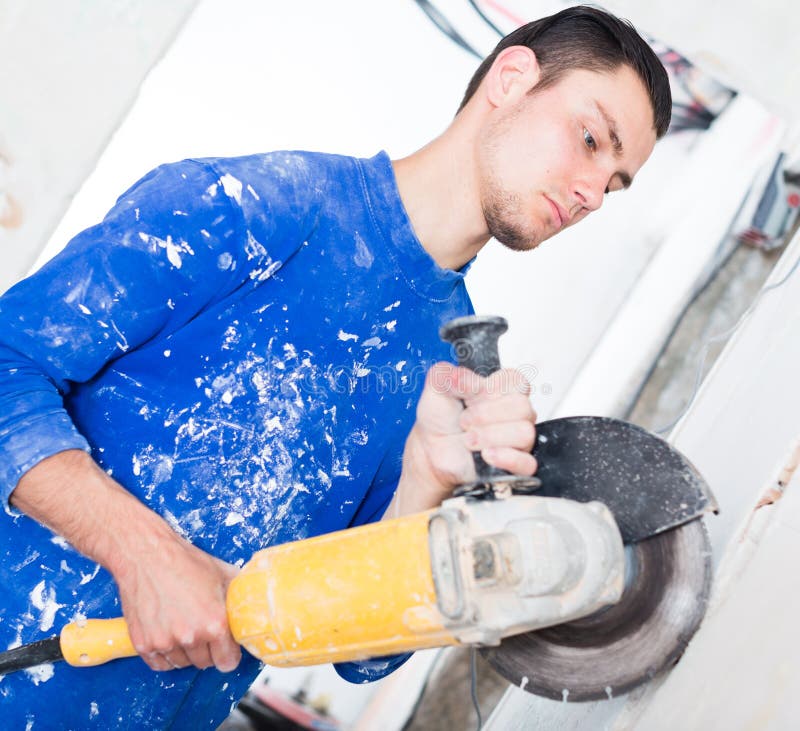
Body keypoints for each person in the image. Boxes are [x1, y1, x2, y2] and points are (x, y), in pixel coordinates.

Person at [0, 5, 669, 729]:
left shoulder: (452, 376)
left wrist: (424, 481)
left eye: (617, 182)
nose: (592, 192)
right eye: (590, 138)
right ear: (511, 79)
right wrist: (145, 554)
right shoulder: (254, 210)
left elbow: (364, 655)